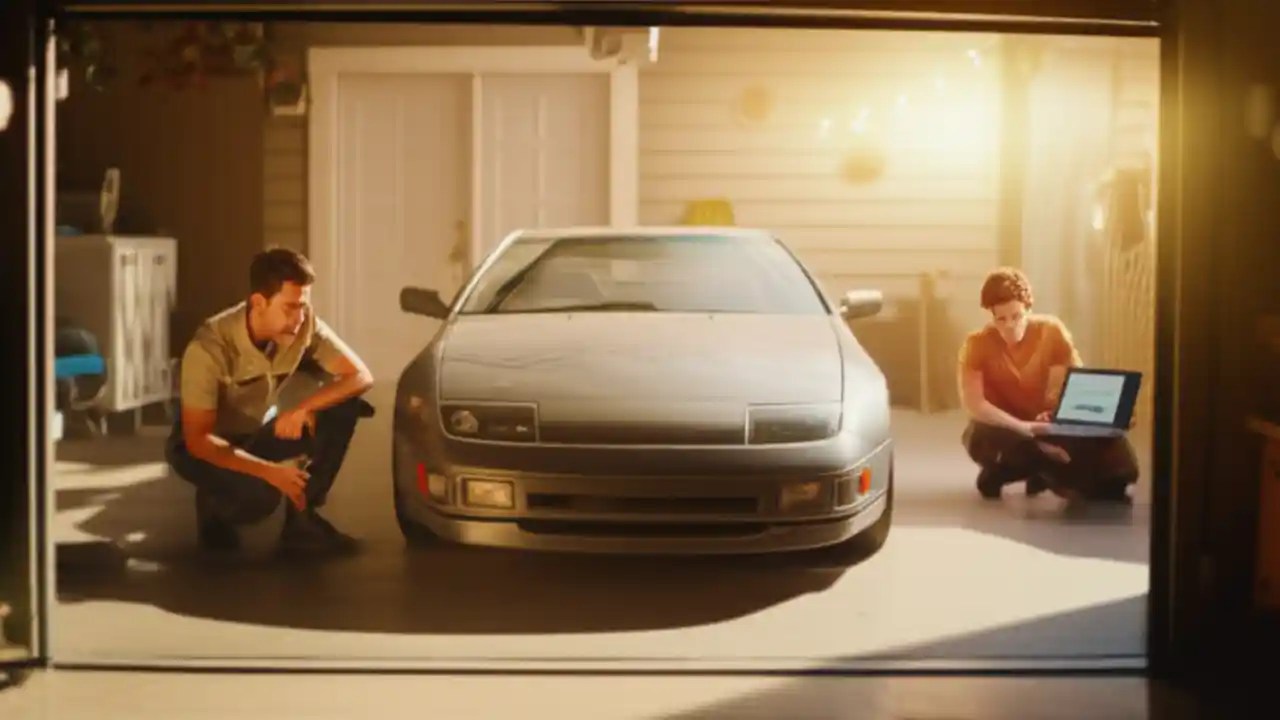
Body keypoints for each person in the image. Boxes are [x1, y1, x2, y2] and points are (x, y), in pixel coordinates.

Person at [166, 247, 375, 556]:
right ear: (259, 303)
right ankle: (215, 506)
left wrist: (305, 409)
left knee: (344, 405)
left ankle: (303, 521)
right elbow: (198, 440)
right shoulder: (209, 347)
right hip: (205, 445)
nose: (300, 317)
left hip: (255, 432)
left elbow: (360, 376)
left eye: (303, 306)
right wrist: (269, 472)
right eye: (290, 307)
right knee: (260, 498)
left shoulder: (304, 325)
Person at [956, 267, 1139, 503]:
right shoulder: (977, 344)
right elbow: (976, 404)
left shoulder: (1051, 332)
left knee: (1121, 473)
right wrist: (1024, 428)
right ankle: (1012, 470)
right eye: (1001, 319)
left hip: (1050, 425)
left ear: (1028, 309)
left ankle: (1049, 470)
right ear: (991, 316)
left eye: (1016, 316)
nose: (1010, 326)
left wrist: (1110, 412)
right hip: (1004, 428)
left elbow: (1071, 385)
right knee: (998, 442)